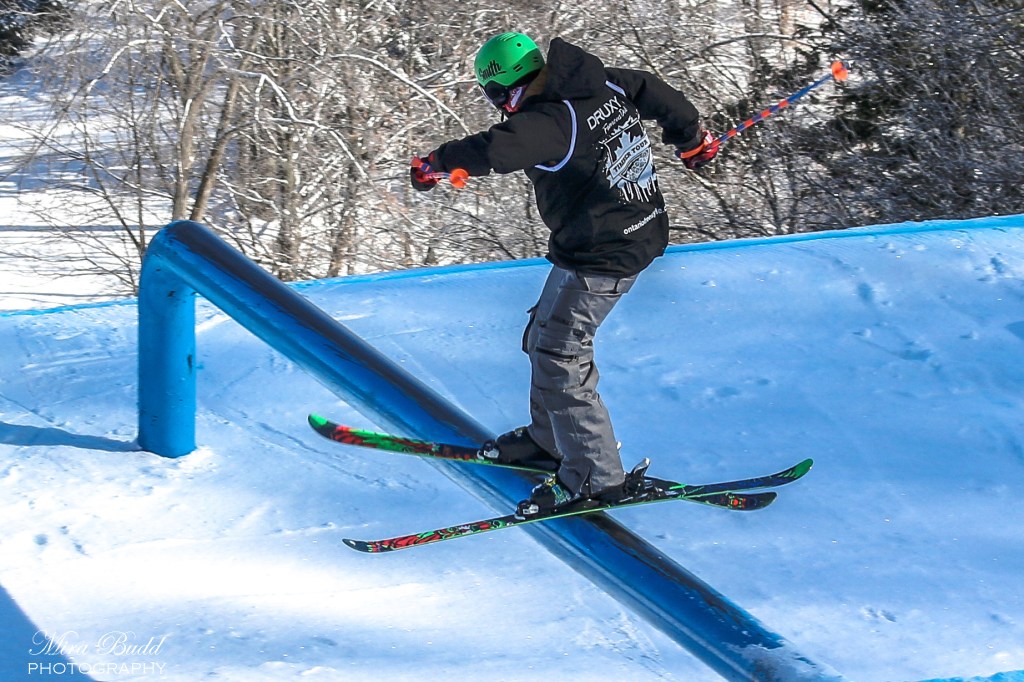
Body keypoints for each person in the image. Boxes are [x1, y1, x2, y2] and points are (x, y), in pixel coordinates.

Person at [410, 32, 718, 514]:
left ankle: (595, 477)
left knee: (561, 356)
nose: (500, 107)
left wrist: (435, 163)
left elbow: (496, 150)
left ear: (510, 87)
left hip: (604, 252)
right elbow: (654, 90)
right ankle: (549, 441)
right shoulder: (601, 84)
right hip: (608, 236)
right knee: (543, 337)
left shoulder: (548, 121)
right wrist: (691, 137)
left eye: (497, 95)